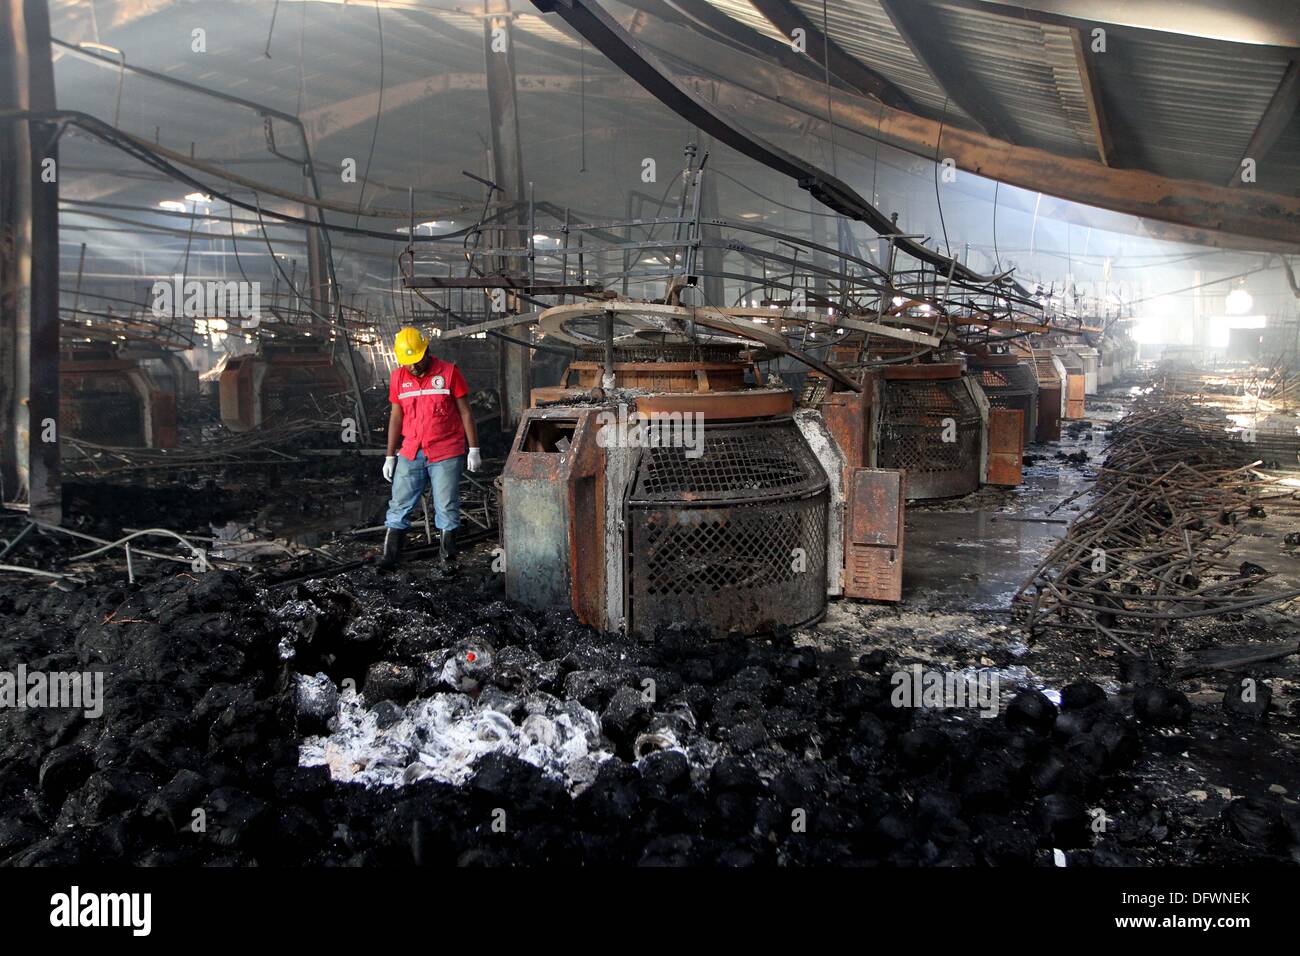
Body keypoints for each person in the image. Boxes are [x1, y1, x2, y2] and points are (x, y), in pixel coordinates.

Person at [379, 327, 481, 567]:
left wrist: (474, 449)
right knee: (399, 504)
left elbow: (466, 412)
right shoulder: (398, 378)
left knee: (445, 505)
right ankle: (390, 559)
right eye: (408, 363)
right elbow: (396, 417)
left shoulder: (449, 373)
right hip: (411, 451)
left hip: (446, 451)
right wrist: (390, 455)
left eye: (416, 361)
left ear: (427, 352)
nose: (413, 367)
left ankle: (448, 560)